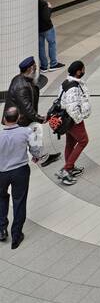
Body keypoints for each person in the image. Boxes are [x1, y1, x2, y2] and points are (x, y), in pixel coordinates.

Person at [0, 103, 43, 249]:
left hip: (1, 172)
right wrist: (36, 156)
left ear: (4, 119)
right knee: (19, 201)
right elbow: (36, 148)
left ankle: (1, 229)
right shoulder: (26, 132)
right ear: (18, 118)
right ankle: (16, 236)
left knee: (1, 198)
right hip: (20, 171)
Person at [58, 60, 92, 185]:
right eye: (83, 69)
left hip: (66, 119)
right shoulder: (73, 87)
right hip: (73, 120)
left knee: (70, 142)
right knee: (83, 141)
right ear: (78, 72)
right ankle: (66, 170)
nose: (84, 71)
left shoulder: (65, 83)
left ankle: (70, 167)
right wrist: (78, 119)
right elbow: (72, 107)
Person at [37, 0, 62, 71]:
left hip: (38, 29)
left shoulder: (31, 3)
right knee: (52, 43)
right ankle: (53, 64)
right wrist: (49, 8)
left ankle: (43, 66)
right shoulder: (43, 3)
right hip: (47, 28)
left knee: (41, 47)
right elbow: (46, 17)